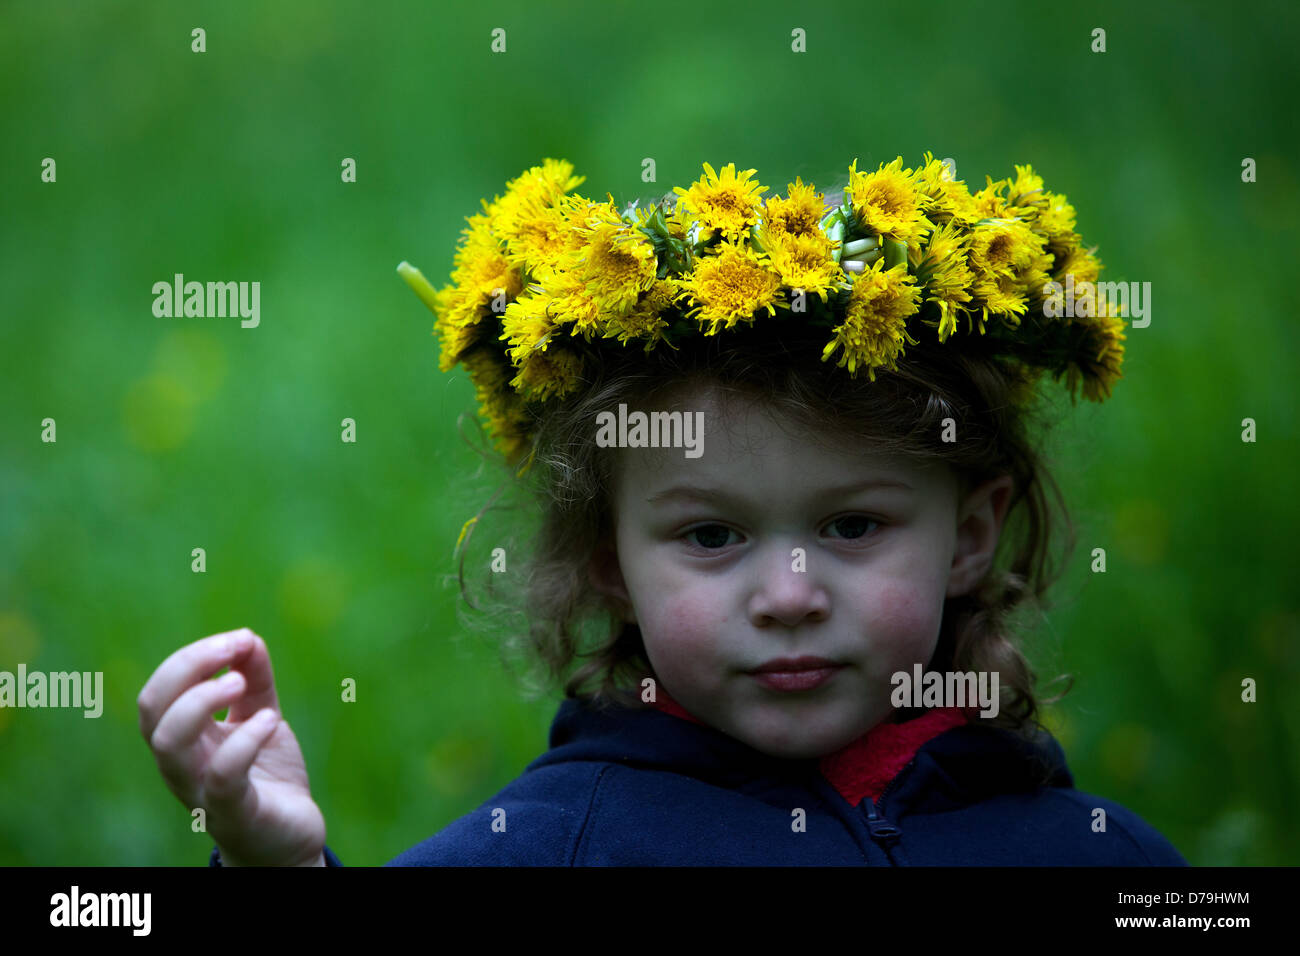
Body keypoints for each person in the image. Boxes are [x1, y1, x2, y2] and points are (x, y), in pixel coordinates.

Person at [137, 155, 1186, 866]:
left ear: (969, 533)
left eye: (852, 525)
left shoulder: (1087, 846)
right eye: (713, 534)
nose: (787, 595)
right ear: (606, 556)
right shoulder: (549, 844)